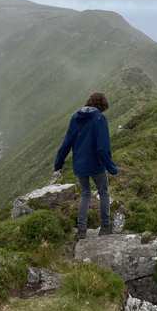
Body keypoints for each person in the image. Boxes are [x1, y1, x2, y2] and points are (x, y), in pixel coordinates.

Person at [53, 92, 118, 240]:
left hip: (79, 165)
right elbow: (102, 148)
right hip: (96, 164)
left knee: (85, 194)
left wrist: (58, 163)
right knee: (103, 192)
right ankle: (105, 227)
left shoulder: (75, 117)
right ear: (102, 106)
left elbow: (66, 144)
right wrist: (111, 168)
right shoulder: (99, 118)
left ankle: (81, 231)